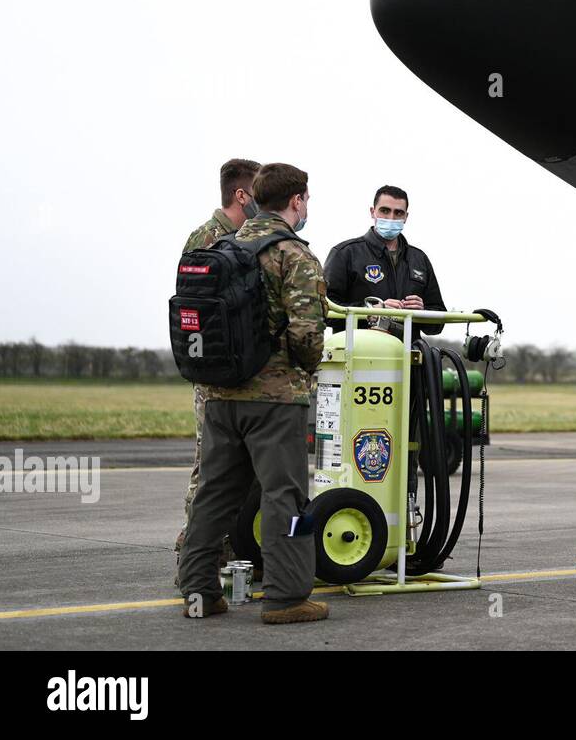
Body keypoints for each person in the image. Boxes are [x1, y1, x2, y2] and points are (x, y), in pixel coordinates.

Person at [178, 162, 330, 624]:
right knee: (287, 498)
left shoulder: (221, 245)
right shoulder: (294, 254)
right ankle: (286, 597)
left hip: (220, 394)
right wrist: (304, 369)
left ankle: (199, 590)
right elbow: (307, 335)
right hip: (275, 401)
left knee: (215, 494)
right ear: (297, 200)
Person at [174, 158, 260, 581]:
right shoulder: (211, 238)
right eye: (260, 192)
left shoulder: (240, 237)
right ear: (241, 194)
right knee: (210, 469)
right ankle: (192, 559)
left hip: (234, 371)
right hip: (215, 375)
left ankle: (222, 555)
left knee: (234, 472)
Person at [324, 185, 445, 335]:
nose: (391, 218)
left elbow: (437, 325)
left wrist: (423, 311)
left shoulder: (419, 259)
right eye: (385, 211)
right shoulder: (345, 253)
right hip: (358, 352)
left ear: (406, 217)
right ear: (372, 212)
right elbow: (323, 310)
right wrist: (370, 310)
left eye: (398, 213)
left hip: (407, 353)